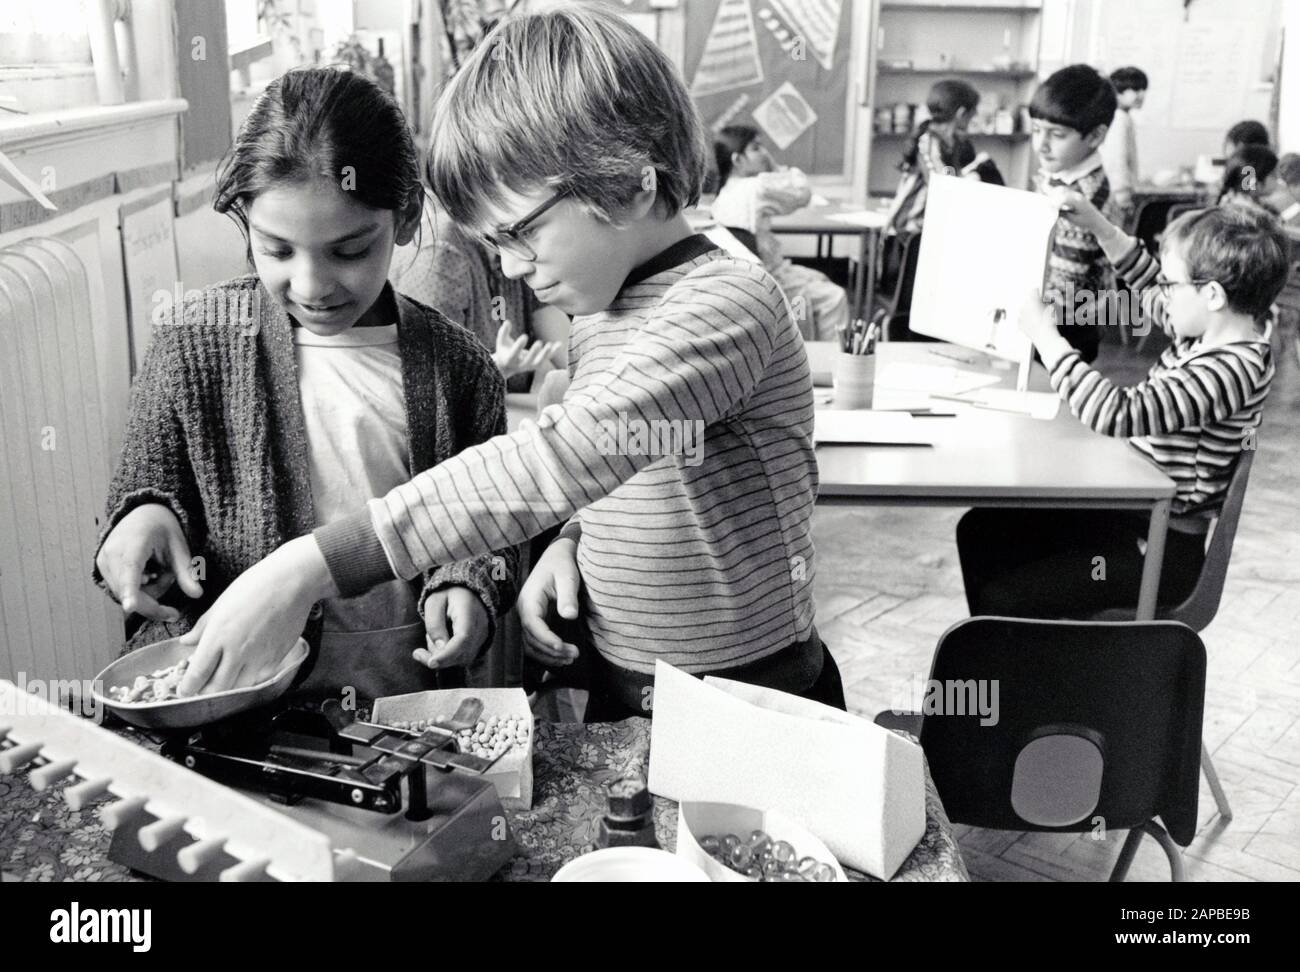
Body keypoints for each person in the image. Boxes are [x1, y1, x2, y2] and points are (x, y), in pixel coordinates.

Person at [173, 7, 844, 720]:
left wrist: (310, 566)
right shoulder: (605, 313)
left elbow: (568, 455)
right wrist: (574, 545)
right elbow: (622, 472)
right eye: (496, 245)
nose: (514, 268)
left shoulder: (725, 304)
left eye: (521, 233)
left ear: (630, 182)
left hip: (754, 696)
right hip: (632, 687)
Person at [92, 68, 518, 702]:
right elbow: (146, 487)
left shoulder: (461, 370)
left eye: (349, 251)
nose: (313, 285)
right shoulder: (192, 340)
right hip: (231, 701)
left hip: (398, 701)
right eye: (278, 250)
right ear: (245, 223)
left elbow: (486, 525)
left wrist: (468, 583)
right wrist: (141, 521)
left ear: (405, 217)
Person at [958, 199, 1286, 619]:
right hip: (1136, 520)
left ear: (1213, 295)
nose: (1161, 294)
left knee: (1008, 596)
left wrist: (1046, 336)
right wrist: (1102, 228)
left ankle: (1028, 668)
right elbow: (1148, 284)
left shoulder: (1229, 370)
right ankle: (1027, 659)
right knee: (981, 529)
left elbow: (1116, 413)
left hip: (1157, 555)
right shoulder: (1209, 333)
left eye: (1172, 285)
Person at [709, 125, 850, 341]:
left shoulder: (725, 192)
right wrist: (774, 167)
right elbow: (801, 192)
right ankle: (821, 358)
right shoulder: (756, 187)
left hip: (750, 280)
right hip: (774, 283)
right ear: (737, 160)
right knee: (834, 297)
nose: (764, 153)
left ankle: (812, 348)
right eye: (756, 148)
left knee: (818, 278)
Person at [1029, 64, 1119, 363]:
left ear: (1095, 137)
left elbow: (1066, 288)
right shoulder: (1061, 175)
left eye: (1056, 134)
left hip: (1065, 325)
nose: (1041, 144)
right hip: (1050, 314)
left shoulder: (1079, 200)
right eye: (1036, 130)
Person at [884, 78, 1004, 238]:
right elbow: (941, 185)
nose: (975, 115)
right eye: (973, 110)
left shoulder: (958, 142)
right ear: (961, 113)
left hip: (937, 222)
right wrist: (972, 171)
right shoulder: (928, 142)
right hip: (911, 228)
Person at [1100, 66, 1147, 224]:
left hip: (1118, 192)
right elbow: (1117, 159)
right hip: (1119, 194)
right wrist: (1124, 196)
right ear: (1118, 91)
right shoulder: (1119, 119)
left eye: (1143, 89)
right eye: (1135, 89)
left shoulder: (1122, 117)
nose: (1141, 94)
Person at [1218, 144, 1280, 214]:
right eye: (1274, 174)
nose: (1278, 178)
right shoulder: (1248, 214)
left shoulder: (1233, 202)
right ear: (1255, 182)